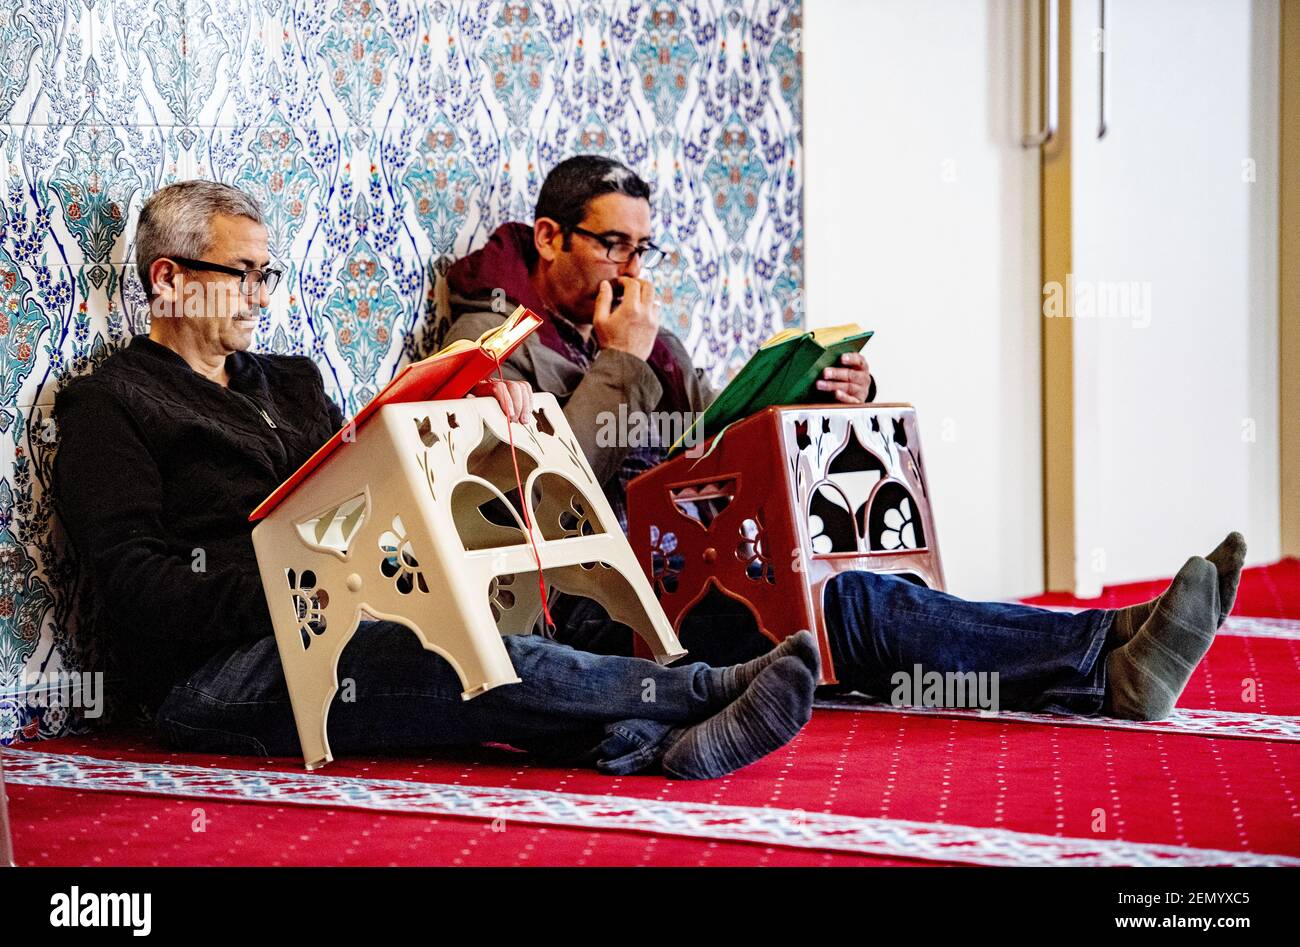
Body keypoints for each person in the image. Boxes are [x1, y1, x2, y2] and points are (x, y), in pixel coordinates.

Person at [50, 180, 824, 781]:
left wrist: (474, 407)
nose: (262, 295)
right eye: (244, 274)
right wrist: (307, 590)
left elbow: (363, 482)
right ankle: (704, 695)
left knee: (512, 618)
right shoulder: (112, 404)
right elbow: (136, 585)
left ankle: (640, 741)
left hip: (354, 611)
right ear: (170, 277)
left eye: (267, 273)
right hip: (216, 674)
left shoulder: (290, 382)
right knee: (459, 659)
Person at [443, 155, 1247, 721]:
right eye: (612, 244)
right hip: (609, 600)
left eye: (643, 247)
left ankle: (1117, 649)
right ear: (549, 238)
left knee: (857, 602)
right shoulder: (491, 339)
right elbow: (546, 487)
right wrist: (618, 361)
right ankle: (1106, 656)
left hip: (701, 555)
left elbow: (719, 435)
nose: (633, 268)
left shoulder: (639, 330)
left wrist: (828, 392)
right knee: (848, 609)